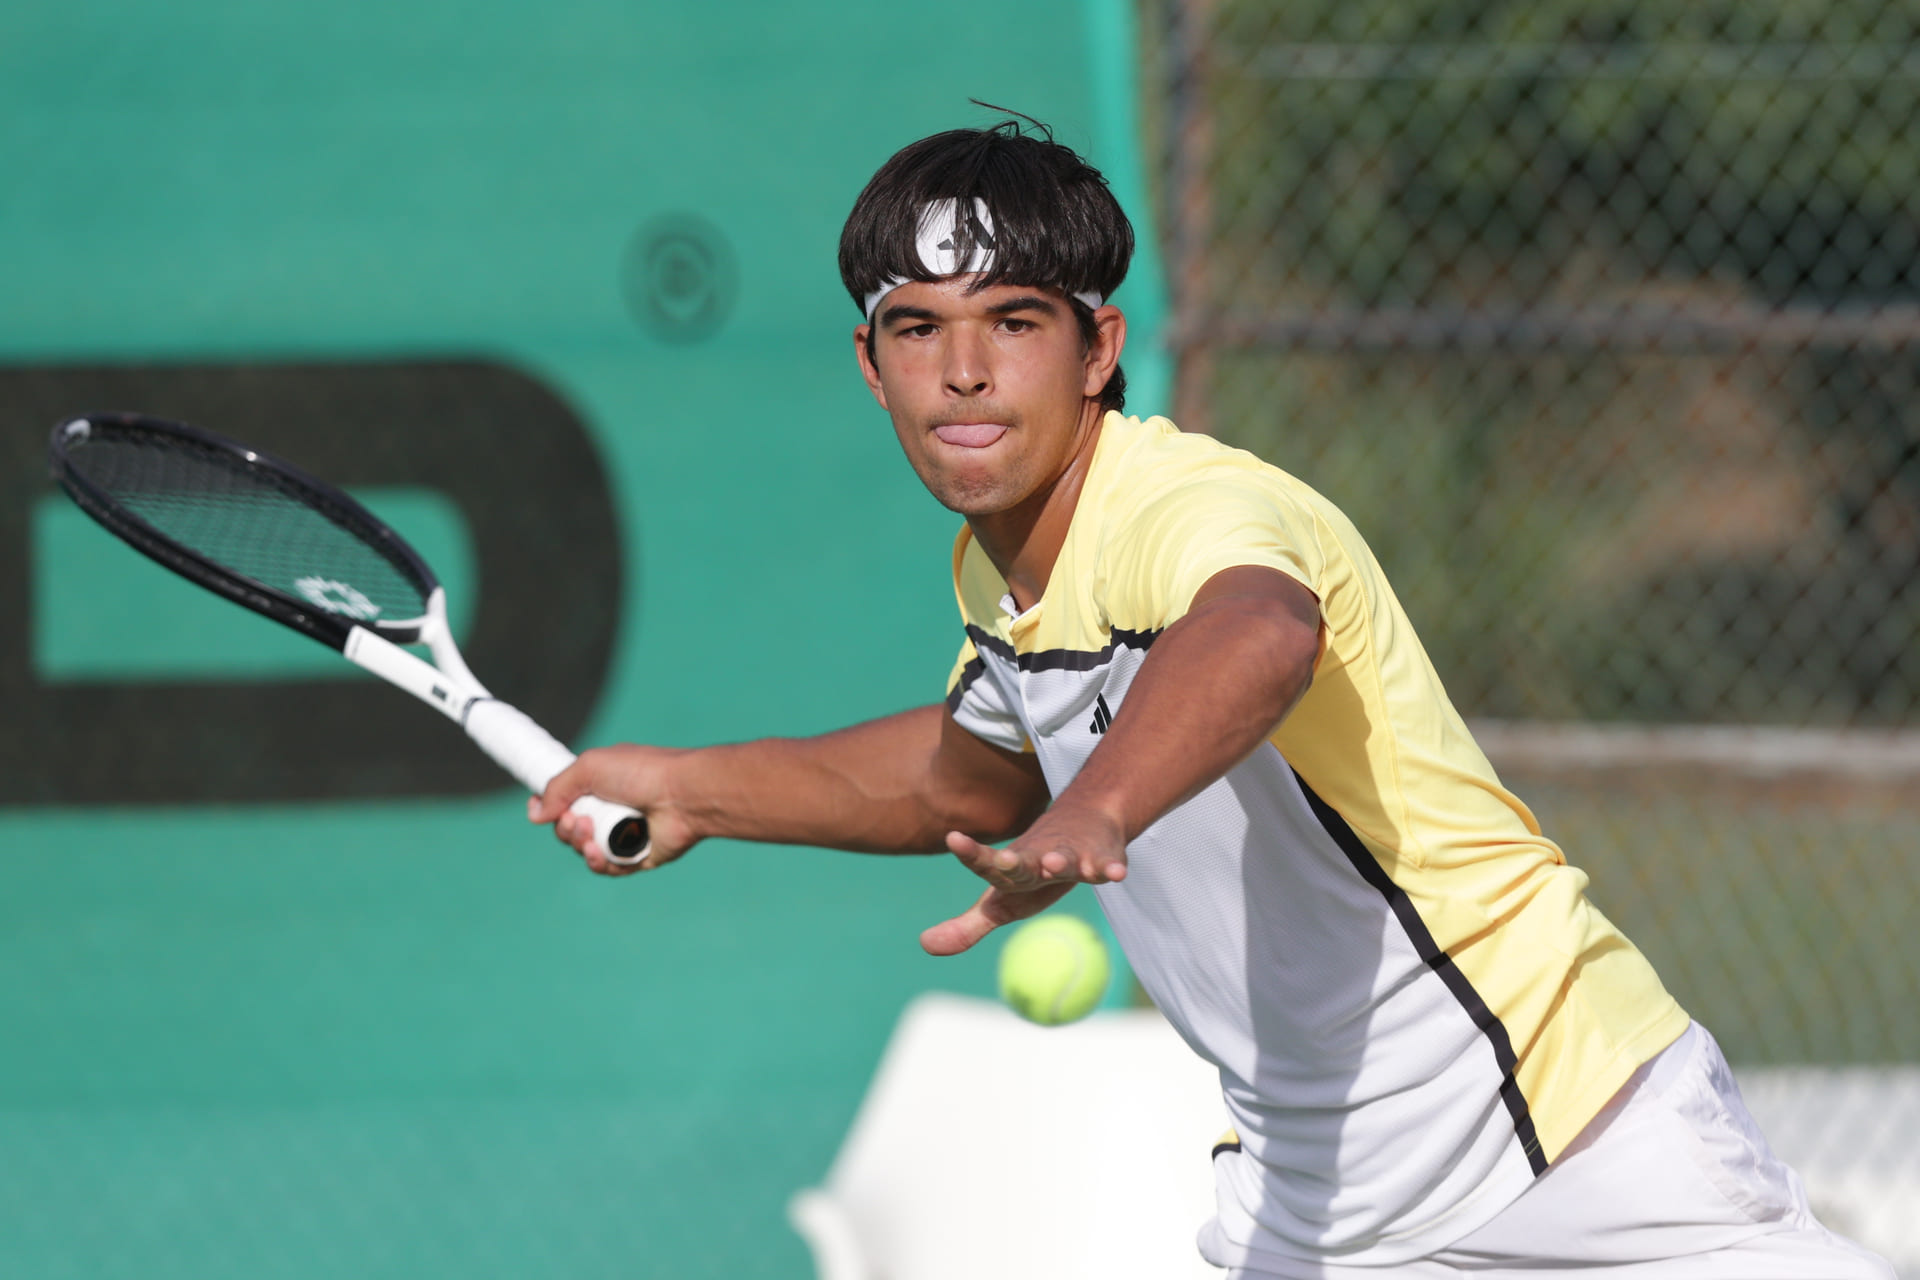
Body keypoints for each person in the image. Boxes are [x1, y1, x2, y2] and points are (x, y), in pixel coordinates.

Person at [531, 116, 1892, 1279]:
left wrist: (1103, 808)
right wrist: (690, 788)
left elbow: (1260, 633)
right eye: (919, 329)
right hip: (1318, 1199)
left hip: (1570, 1129)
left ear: (1098, 347)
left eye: (1013, 324)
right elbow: (966, 782)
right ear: (868, 361)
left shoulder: (1184, 503)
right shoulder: (1000, 571)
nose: (963, 373)